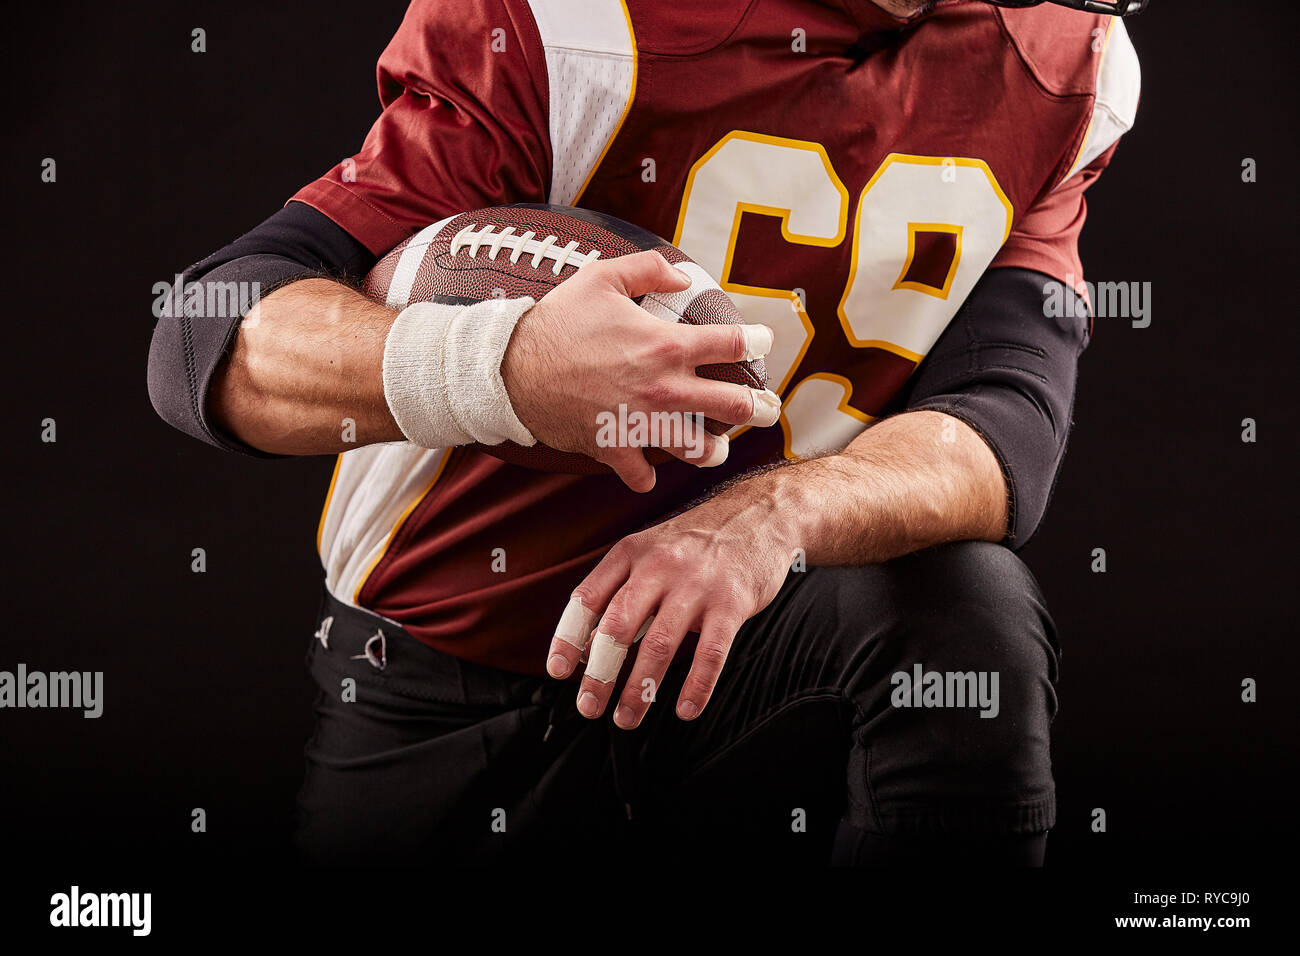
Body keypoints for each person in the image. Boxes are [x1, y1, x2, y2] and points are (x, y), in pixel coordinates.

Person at [147, 0, 1144, 864]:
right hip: (452, 677)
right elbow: (203, 341)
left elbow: (1001, 417)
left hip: (734, 657)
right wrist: (503, 365)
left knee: (962, 610)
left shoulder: (1066, 59)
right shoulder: (567, 22)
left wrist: (767, 519)